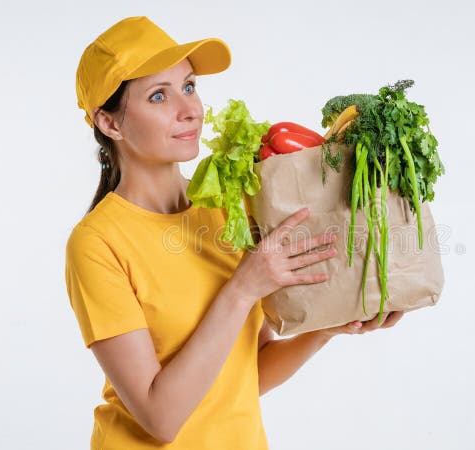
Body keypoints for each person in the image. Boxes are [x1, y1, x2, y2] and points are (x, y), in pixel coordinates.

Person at [65, 16, 404, 449]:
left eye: (189, 86)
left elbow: (250, 371)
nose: (189, 109)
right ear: (110, 124)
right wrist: (244, 287)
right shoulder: (97, 243)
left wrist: (328, 328)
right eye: (158, 96)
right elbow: (160, 417)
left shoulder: (226, 207)